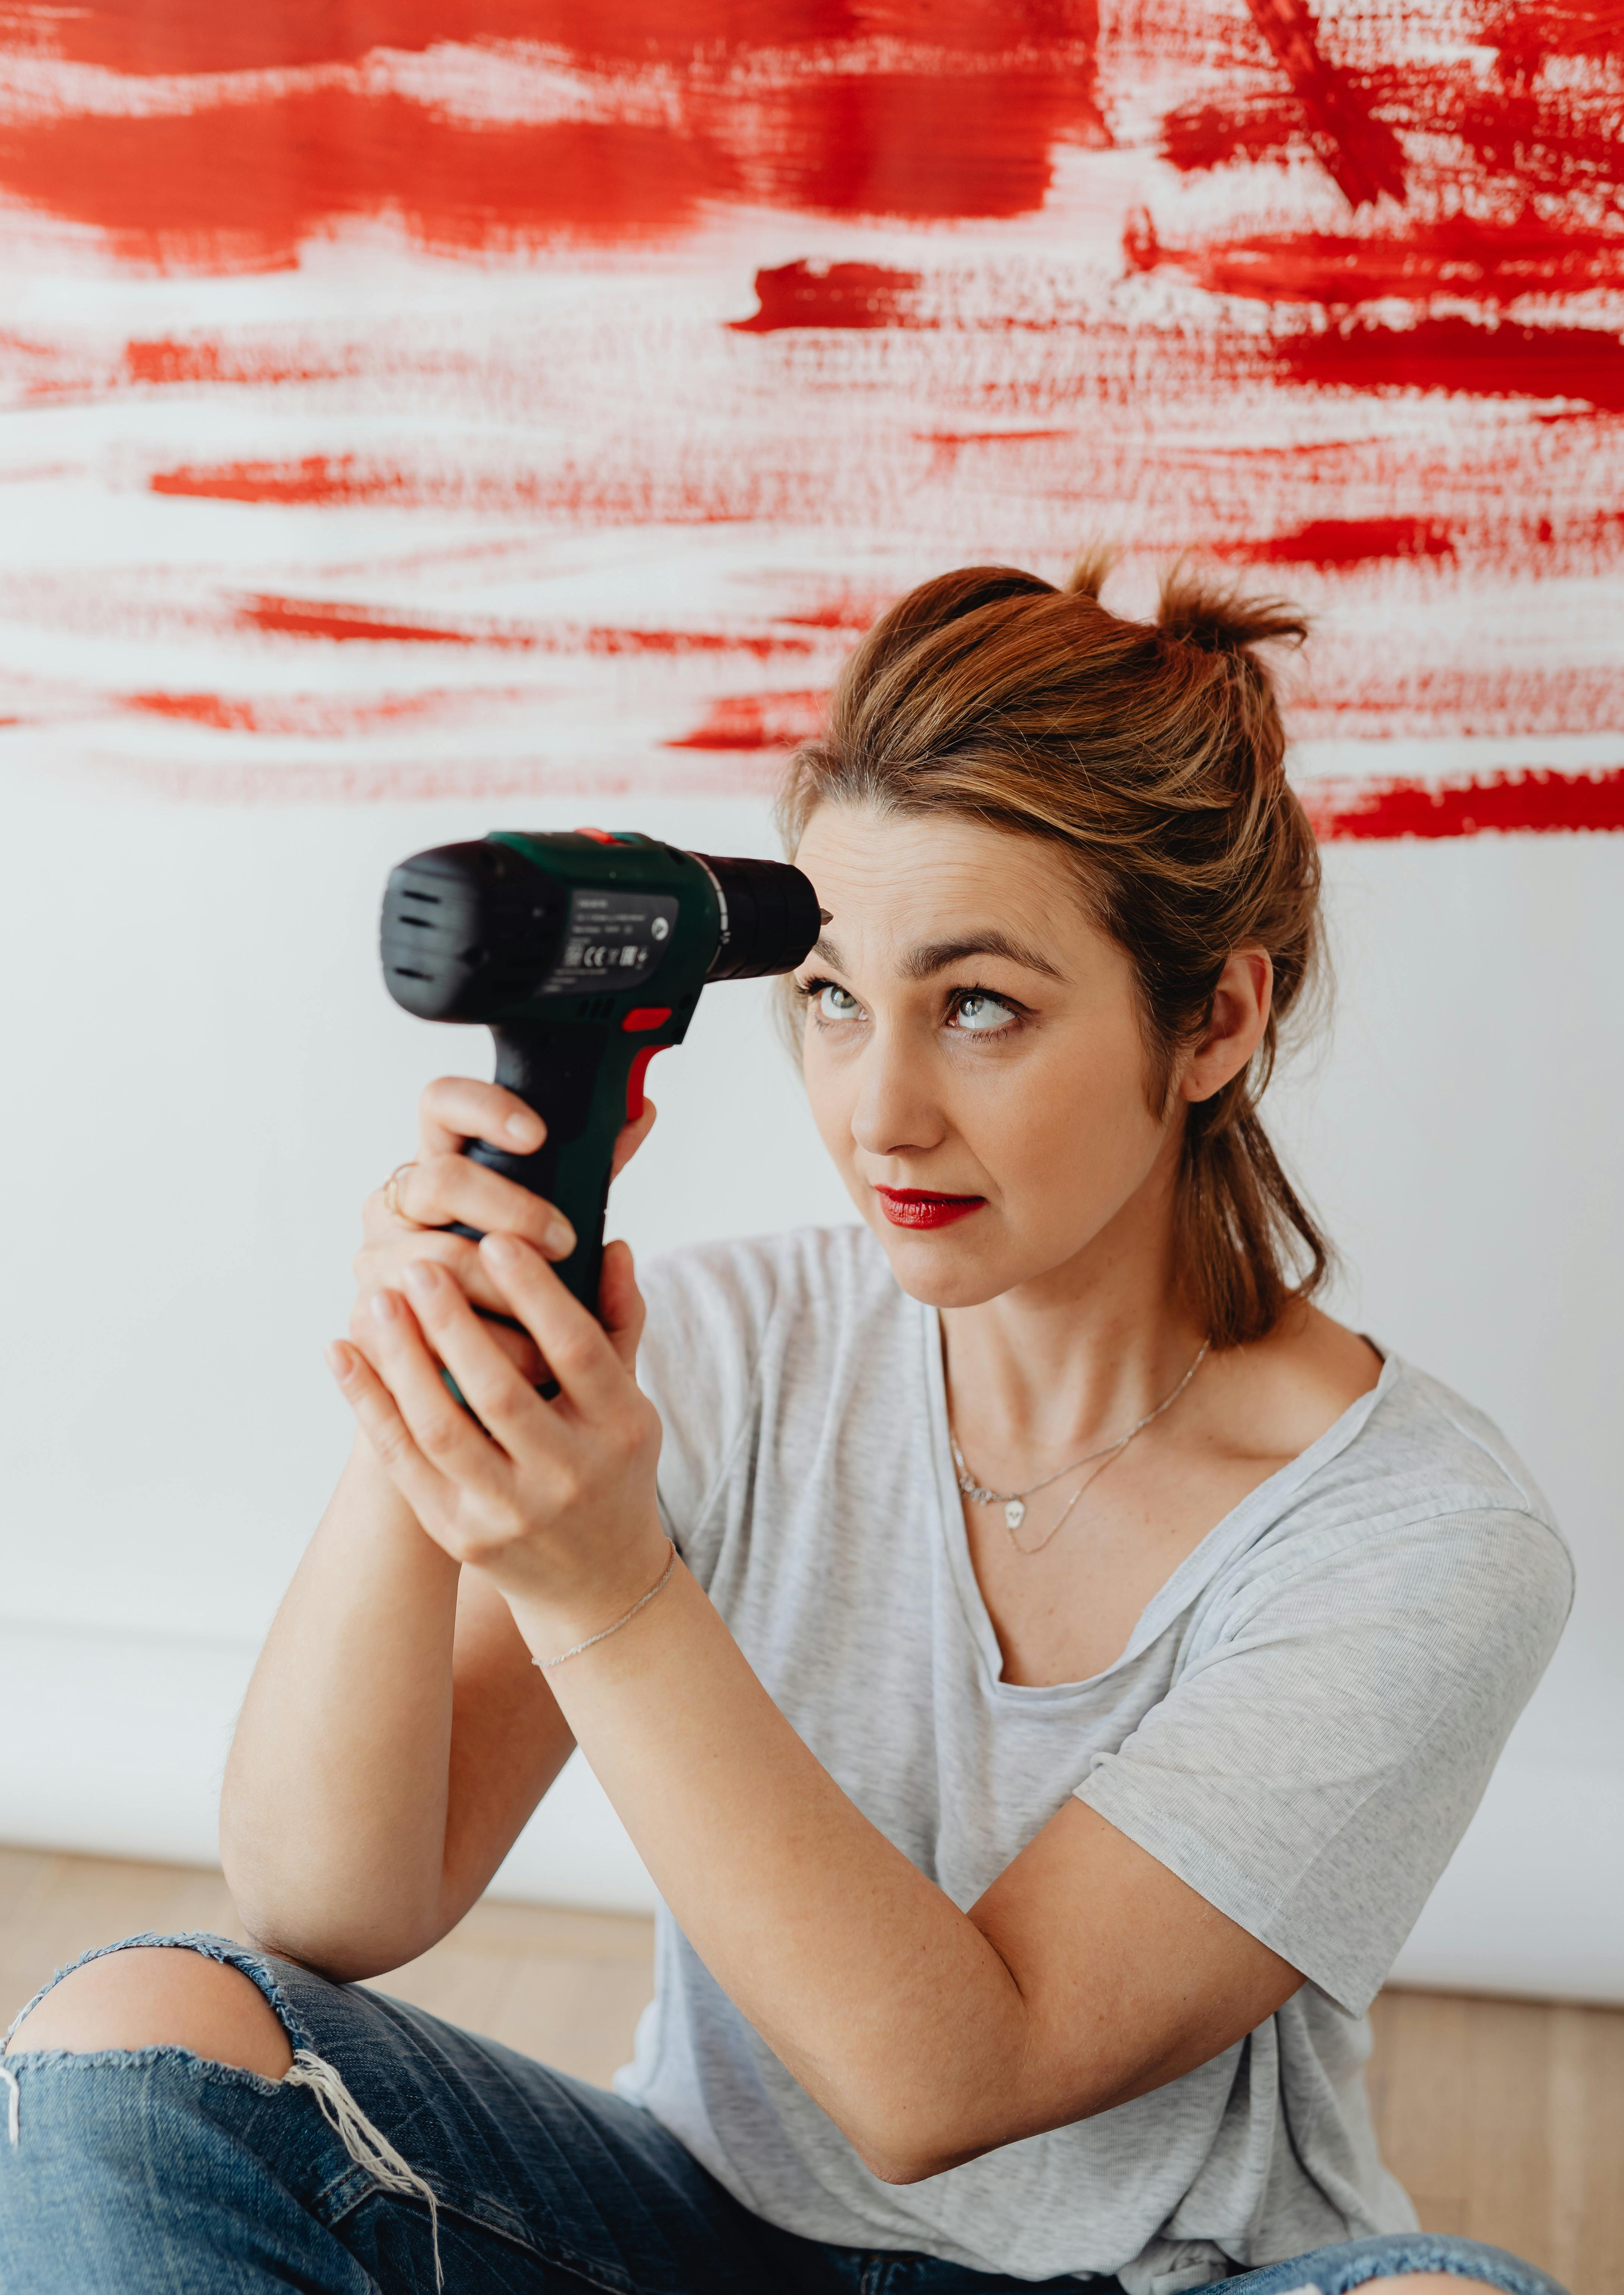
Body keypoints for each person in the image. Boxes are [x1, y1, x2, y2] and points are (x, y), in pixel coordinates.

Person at [0, 558, 1573, 2295]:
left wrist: (608, 1589)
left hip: (1158, 2282)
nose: (877, 1108)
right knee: (134, 2031)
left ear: (1210, 1021)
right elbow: (329, 1902)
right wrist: (431, 1382)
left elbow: (950, 2079)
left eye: (978, 1003)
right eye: (830, 996)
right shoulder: (739, 1342)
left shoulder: (1416, 1535)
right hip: (699, 2247)